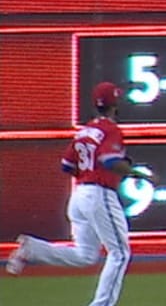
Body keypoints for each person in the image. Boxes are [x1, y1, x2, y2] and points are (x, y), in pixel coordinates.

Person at [6, 82, 144, 306]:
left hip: (79, 195)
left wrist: (90, 170)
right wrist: (138, 174)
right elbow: (108, 160)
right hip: (100, 195)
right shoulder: (111, 130)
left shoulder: (85, 131)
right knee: (119, 253)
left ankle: (32, 249)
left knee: (85, 255)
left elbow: (67, 166)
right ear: (114, 104)